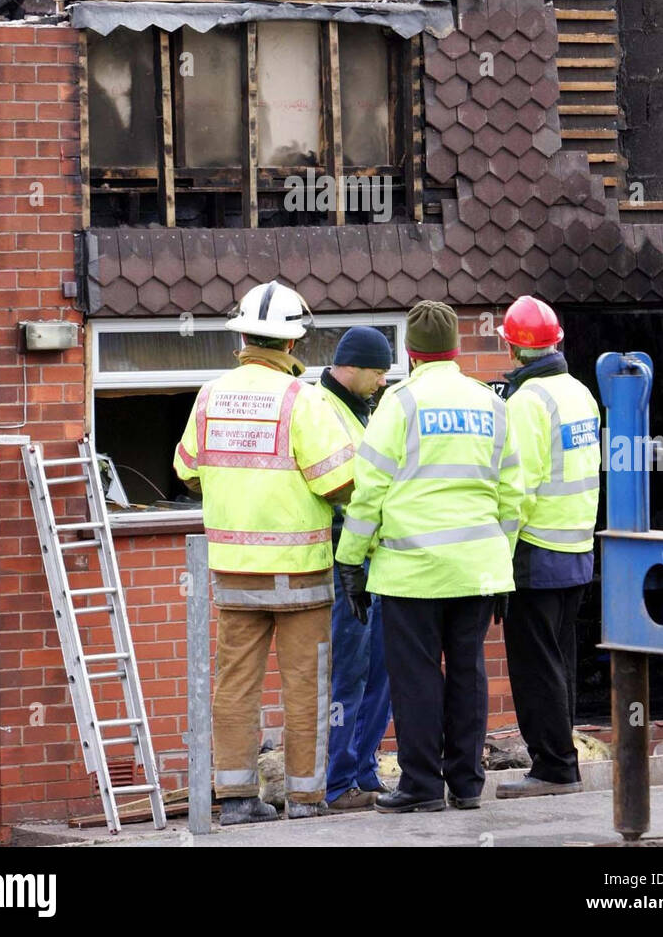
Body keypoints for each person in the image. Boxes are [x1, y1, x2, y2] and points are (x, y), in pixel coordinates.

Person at [173, 281, 355, 827]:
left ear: (243, 338)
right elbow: (341, 482)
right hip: (300, 575)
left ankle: (234, 799)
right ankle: (304, 799)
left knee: (235, 684)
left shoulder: (209, 395)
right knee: (305, 685)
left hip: (233, 574)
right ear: (293, 344)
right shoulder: (305, 400)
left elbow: (186, 472)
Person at [335, 300, 523, 813]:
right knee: (469, 672)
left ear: (411, 354)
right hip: (477, 570)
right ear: (456, 349)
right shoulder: (491, 403)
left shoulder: (399, 404)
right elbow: (514, 493)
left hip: (411, 572)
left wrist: (350, 562)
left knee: (416, 677)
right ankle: (466, 784)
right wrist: (500, 567)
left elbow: (368, 493)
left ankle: (420, 784)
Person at [494, 295, 601, 800]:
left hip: (536, 553)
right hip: (576, 549)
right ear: (555, 341)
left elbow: (517, 489)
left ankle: (554, 768)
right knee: (559, 660)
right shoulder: (578, 392)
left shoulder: (526, 403)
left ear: (515, 348)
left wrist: (499, 556)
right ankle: (563, 761)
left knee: (535, 666)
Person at [317, 326, 393, 812]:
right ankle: (337, 780)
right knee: (349, 673)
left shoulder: (358, 409)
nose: (383, 382)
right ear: (354, 366)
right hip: (346, 560)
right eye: (378, 372)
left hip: (376, 558)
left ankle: (363, 771)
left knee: (380, 670)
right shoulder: (322, 410)